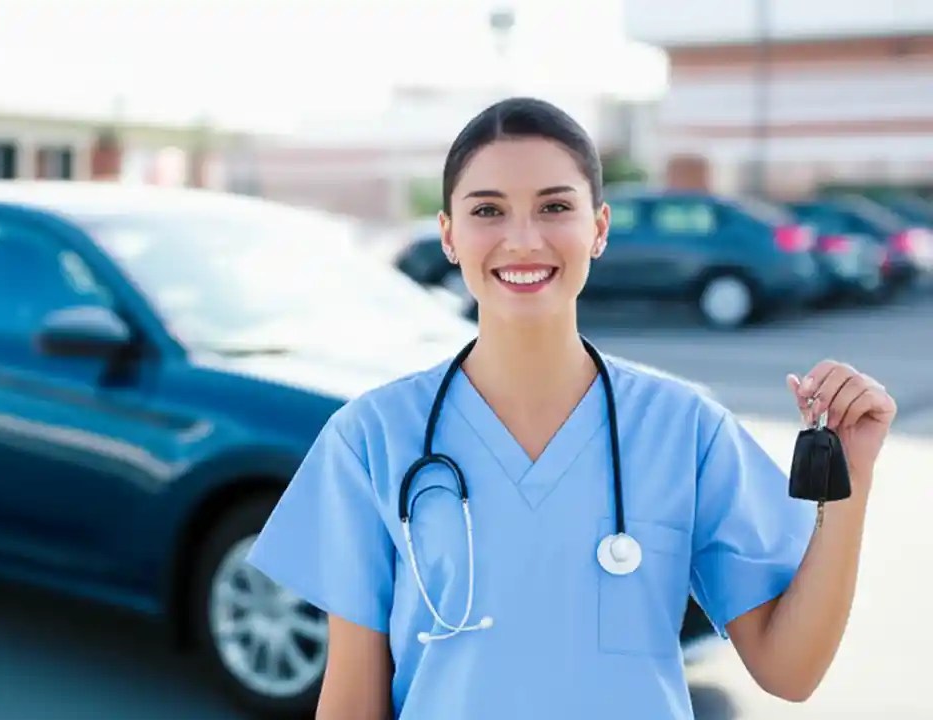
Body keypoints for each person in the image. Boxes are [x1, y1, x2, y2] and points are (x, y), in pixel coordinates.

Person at [244, 97, 897, 719]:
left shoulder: (685, 430)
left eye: (555, 206)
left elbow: (790, 672)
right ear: (447, 235)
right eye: (488, 210)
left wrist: (851, 482)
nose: (523, 238)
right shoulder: (371, 439)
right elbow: (354, 700)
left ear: (599, 228)